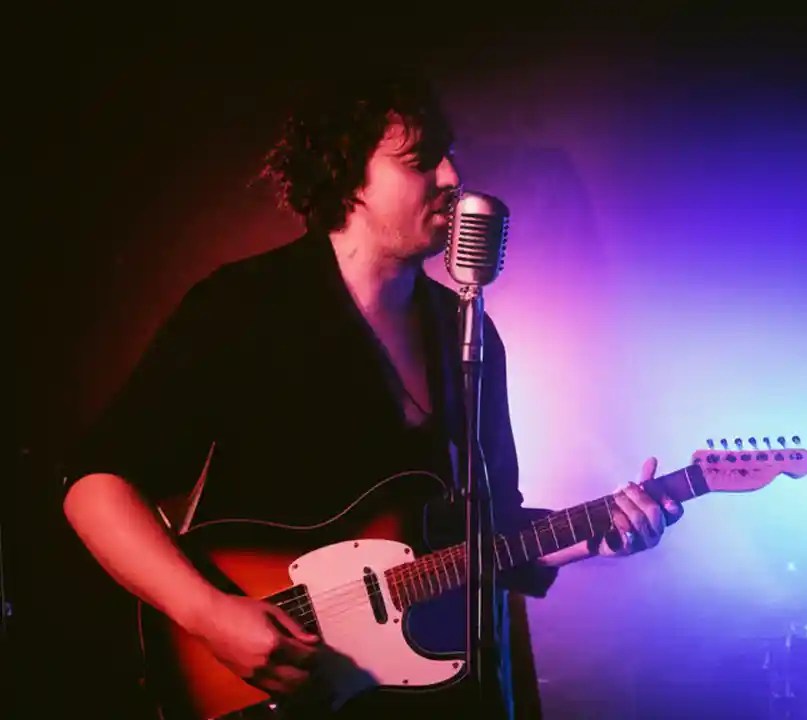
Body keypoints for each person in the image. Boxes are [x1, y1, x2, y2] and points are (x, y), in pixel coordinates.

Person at [61, 60, 684, 717]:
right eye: (421, 160)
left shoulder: (465, 330)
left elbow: (488, 533)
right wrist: (210, 614)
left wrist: (600, 532)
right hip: (283, 694)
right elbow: (96, 484)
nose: (451, 177)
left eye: (449, 156)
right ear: (347, 175)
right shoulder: (243, 307)